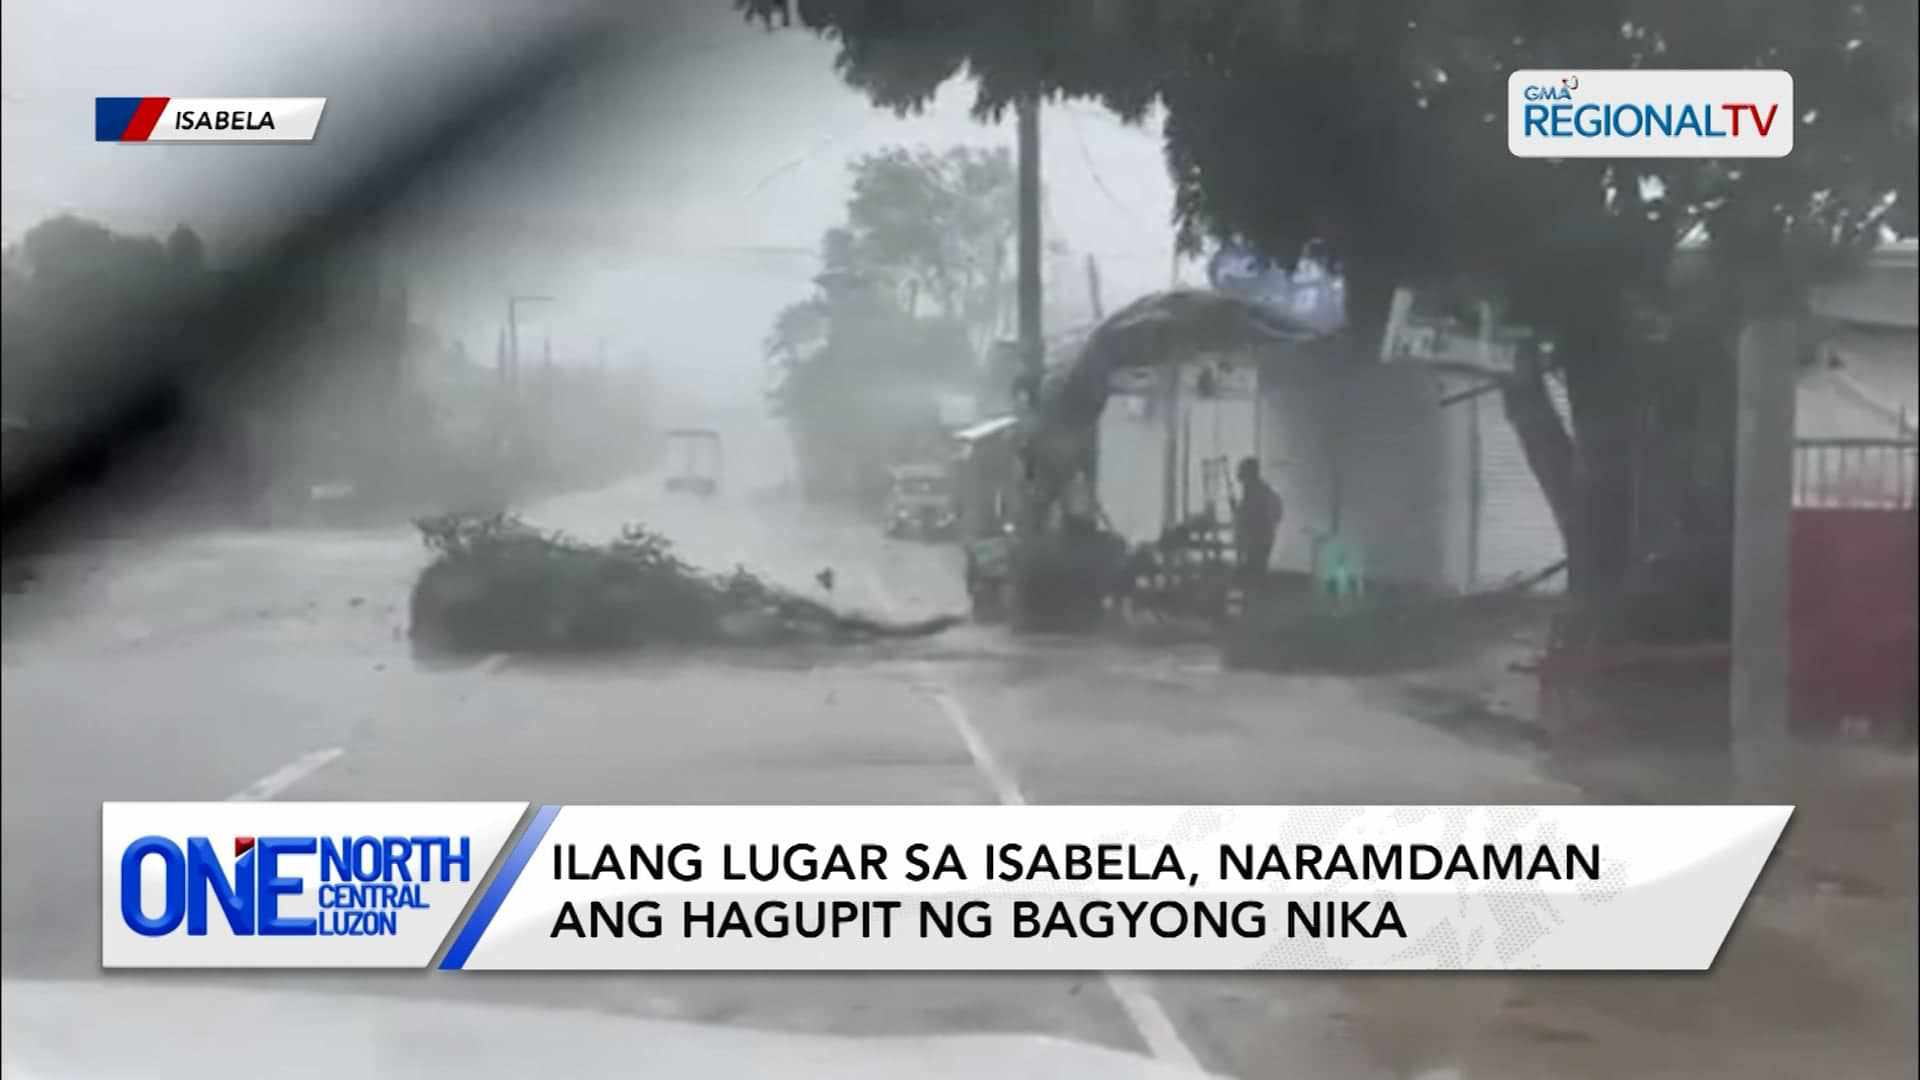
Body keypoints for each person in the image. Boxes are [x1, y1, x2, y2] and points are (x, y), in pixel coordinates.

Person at [1231, 457, 1282, 580]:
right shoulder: (1257, 489)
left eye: (1242, 473)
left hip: (1259, 540)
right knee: (1255, 574)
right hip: (1259, 539)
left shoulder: (1258, 491)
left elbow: (1253, 515)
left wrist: (1239, 512)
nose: (1240, 479)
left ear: (1250, 474)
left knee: (1254, 575)